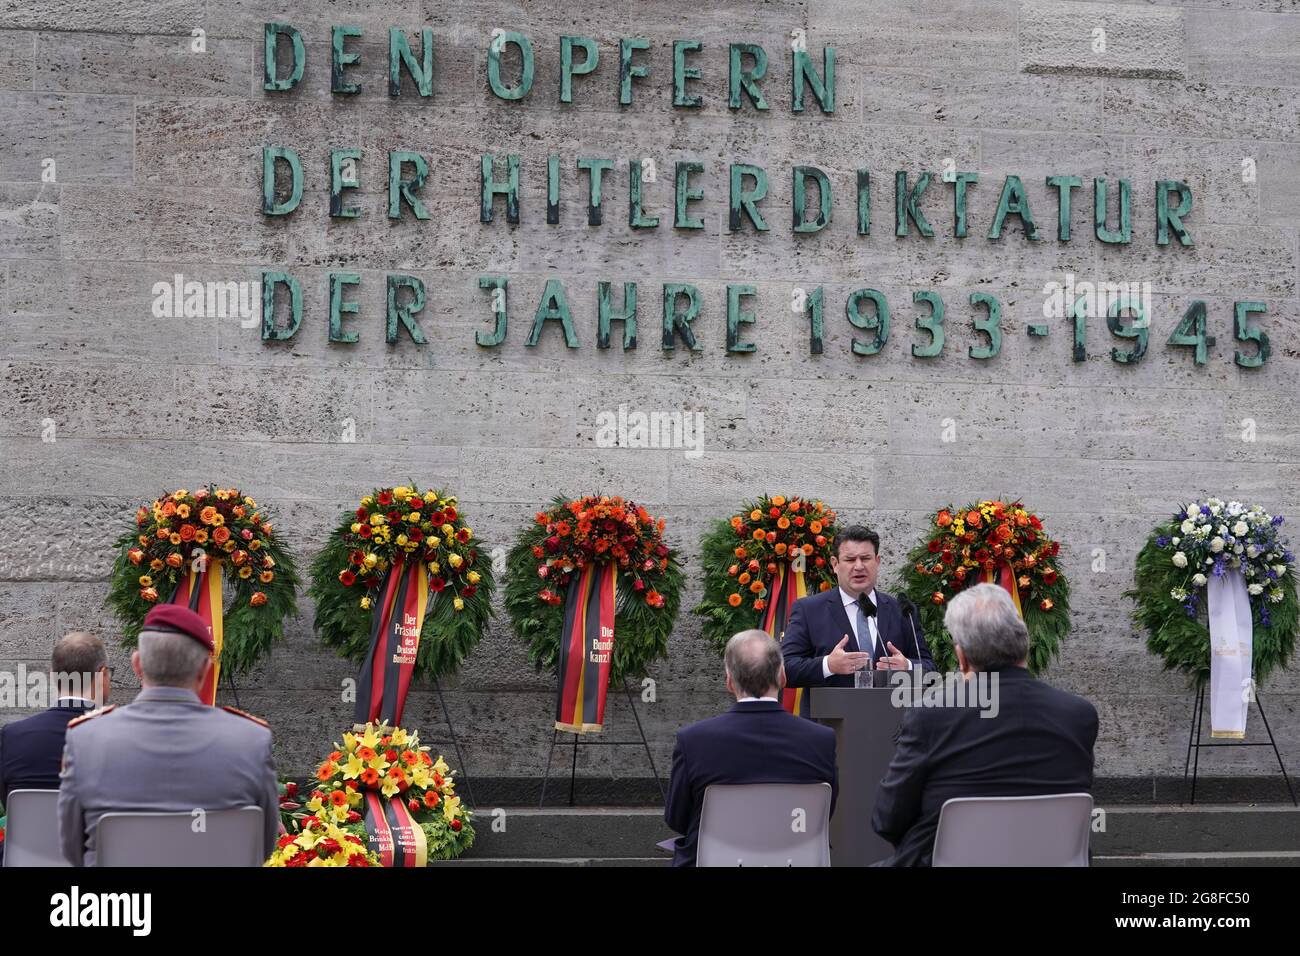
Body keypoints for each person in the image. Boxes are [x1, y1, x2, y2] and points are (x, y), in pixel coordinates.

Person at [871, 583, 1098, 866]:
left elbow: (887, 819)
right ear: (1025, 646)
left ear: (962, 658)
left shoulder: (931, 716)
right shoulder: (1079, 715)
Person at [58, 604, 279, 866]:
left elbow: (72, 849)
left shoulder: (85, 738)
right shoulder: (252, 740)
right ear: (205, 670)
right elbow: (262, 847)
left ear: (137, 665)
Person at [664, 629, 838, 866]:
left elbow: (677, 819)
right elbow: (822, 815)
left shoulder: (693, 741)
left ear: (729, 681)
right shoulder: (821, 740)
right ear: (783, 676)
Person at [781, 525, 933, 713]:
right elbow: (784, 669)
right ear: (835, 564)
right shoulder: (809, 610)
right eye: (850, 559)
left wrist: (907, 666)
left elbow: (931, 670)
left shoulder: (902, 610)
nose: (859, 566)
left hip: (893, 722)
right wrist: (828, 665)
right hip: (830, 723)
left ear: (877, 561)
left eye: (866, 558)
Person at [0, 631, 110, 803]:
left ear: (52, 675)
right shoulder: (121, 738)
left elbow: (9, 805)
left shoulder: (11, 736)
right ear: (102, 675)